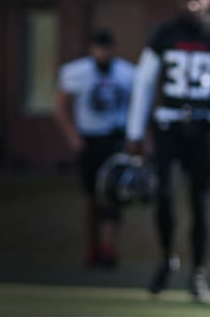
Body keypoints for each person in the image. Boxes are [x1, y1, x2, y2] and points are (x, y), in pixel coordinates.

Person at [126, 0, 210, 304]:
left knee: (200, 202)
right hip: (168, 126)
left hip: (206, 128)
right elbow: (144, 82)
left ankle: (198, 273)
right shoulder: (163, 34)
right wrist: (135, 130)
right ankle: (167, 258)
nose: (192, 3)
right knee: (164, 196)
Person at [54, 28, 135, 269]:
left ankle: (109, 246)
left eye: (107, 48)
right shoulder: (76, 72)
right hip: (90, 140)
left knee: (114, 195)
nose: (103, 53)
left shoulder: (127, 73)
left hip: (116, 139)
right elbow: (60, 105)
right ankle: (93, 246)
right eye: (99, 48)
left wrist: (136, 136)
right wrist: (73, 137)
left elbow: (139, 105)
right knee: (91, 198)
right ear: (92, 50)